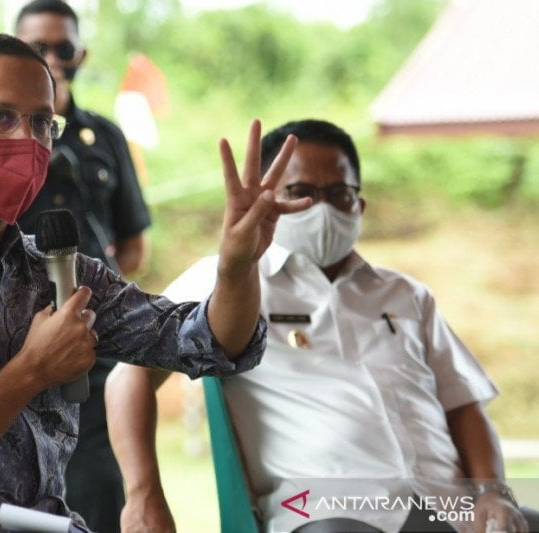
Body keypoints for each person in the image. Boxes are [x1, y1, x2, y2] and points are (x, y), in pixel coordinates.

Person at [0, 32, 310, 531]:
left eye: (43, 122)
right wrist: (32, 369)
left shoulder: (52, 268)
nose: (27, 141)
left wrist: (237, 266)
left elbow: (209, 343)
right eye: (1, 116)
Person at [106, 119, 538, 533]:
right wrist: (144, 495)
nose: (322, 208)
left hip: (449, 506)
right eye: (300, 192)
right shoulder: (231, 278)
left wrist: (492, 492)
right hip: (324, 509)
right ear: (269, 198)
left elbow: (463, 405)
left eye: (339, 193)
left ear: (360, 204)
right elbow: (130, 375)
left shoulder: (406, 295)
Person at [14, 2, 151, 530]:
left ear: (80, 55)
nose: (51, 58)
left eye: (62, 48)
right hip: (12, 339)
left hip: (93, 337)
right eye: (36, 48)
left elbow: (134, 244)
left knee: (97, 488)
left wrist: (101, 285)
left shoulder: (105, 137)